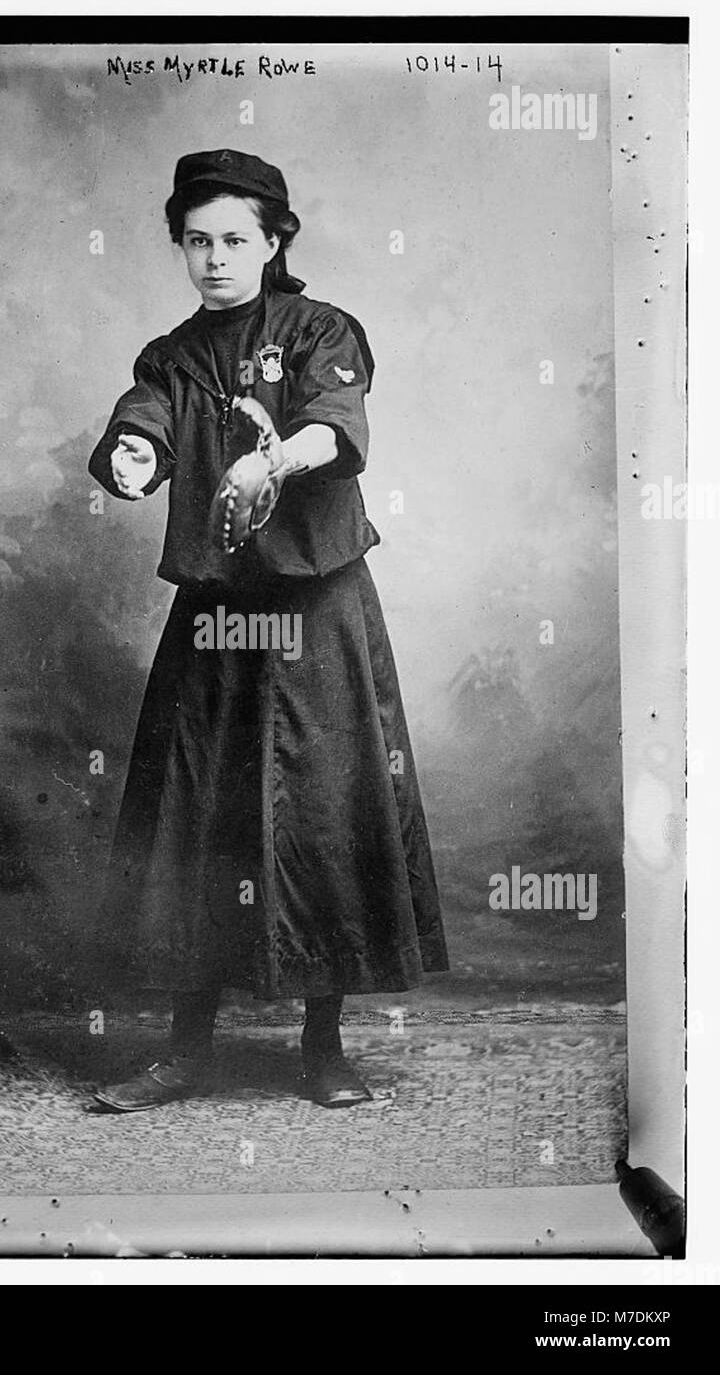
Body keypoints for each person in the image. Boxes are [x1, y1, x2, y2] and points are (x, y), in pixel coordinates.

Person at [86, 149, 448, 1111]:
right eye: (196, 241)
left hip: (317, 609)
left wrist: (273, 461)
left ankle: (323, 1047)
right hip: (216, 619)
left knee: (324, 813)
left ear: (275, 239)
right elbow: (148, 418)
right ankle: (187, 1049)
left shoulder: (322, 328)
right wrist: (130, 455)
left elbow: (336, 422)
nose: (213, 259)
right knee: (198, 820)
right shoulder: (171, 354)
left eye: (234, 239)